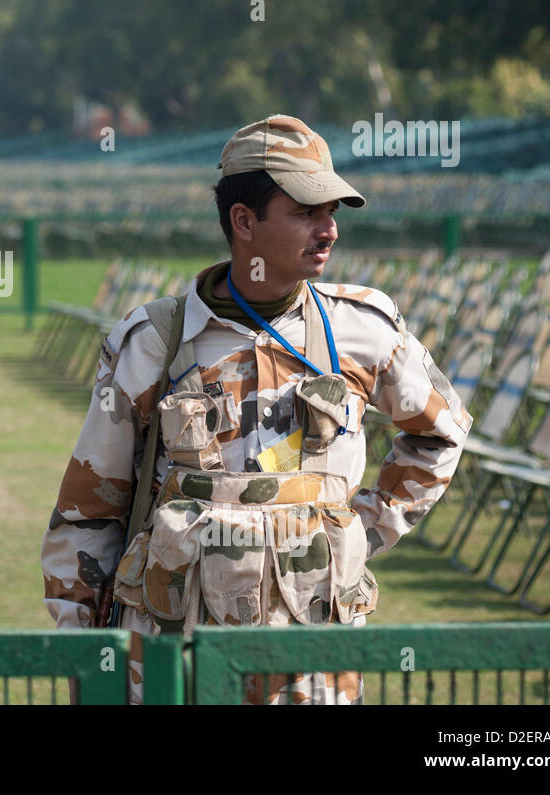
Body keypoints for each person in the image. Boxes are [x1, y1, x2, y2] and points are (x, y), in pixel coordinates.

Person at [40, 115, 474, 704]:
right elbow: (92, 507)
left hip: (314, 652)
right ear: (243, 221)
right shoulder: (153, 341)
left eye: (333, 214)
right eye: (305, 213)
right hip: (176, 650)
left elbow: (440, 433)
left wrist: (360, 531)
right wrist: (87, 655)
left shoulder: (361, 331)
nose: (329, 232)